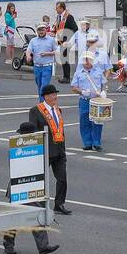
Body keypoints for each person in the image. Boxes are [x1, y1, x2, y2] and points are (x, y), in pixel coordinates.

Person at [2, 121, 61, 254]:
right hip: (19, 187)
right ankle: (10, 243)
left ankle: (42, 246)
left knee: (34, 215)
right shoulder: (16, 149)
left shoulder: (34, 147)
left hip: (30, 186)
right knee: (17, 218)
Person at [29, 84, 71, 214]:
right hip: (45, 151)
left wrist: (63, 149)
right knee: (40, 178)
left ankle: (59, 204)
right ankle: (39, 202)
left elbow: (60, 130)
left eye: (56, 94)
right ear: (46, 96)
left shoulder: (58, 110)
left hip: (58, 151)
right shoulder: (36, 110)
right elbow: (33, 131)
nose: (55, 97)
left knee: (62, 179)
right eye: (53, 95)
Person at [72, 52, 108, 151]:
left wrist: (104, 91)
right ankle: (87, 143)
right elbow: (74, 87)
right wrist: (82, 91)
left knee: (97, 121)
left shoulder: (99, 71)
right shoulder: (78, 73)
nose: (87, 62)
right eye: (85, 60)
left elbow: (104, 83)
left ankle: (96, 143)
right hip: (84, 100)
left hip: (97, 100)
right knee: (84, 122)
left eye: (89, 60)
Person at [54, 1, 78, 83]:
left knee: (65, 58)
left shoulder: (69, 17)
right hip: (60, 41)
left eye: (57, 8)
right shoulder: (59, 17)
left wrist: (69, 40)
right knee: (63, 58)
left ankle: (66, 77)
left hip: (66, 41)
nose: (56, 9)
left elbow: (75, 29)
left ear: (61, 8)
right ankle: (65, 76)